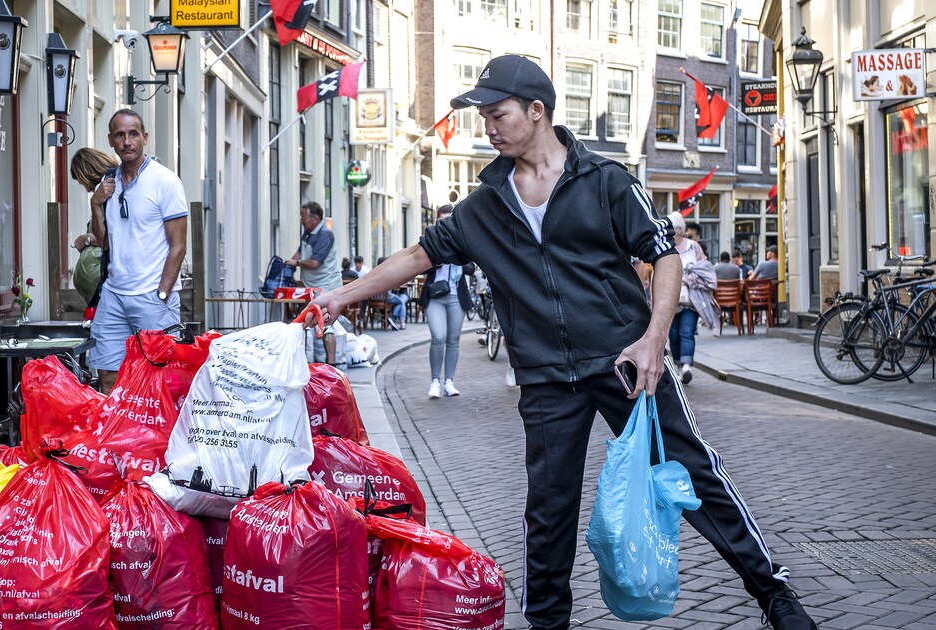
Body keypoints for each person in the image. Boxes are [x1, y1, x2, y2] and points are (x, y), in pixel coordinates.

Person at [306, 55, 816, 630]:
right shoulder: (484, 207)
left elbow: (664, 256)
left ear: (536, 111)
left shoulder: (606, 181)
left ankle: (775, 595)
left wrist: (653, 340)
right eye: (483, 117)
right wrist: (341, 296)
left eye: (497, 115)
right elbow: (418, 256)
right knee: (547, 514)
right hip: (546, 377)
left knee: (695, 471)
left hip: (627, 364)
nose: (488, 128)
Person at [87, 109, 188, 393]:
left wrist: (163, 294)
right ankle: (113, 436)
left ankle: (159, 438)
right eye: (120, 135)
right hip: (114, 295)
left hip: (152, 296)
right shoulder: (107, 184)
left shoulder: (165, 181)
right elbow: (104, 241)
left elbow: (178, 246)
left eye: (133, 134)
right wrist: (96, 204)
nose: (127, 141)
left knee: (160, 380)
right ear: (111, 140)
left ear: (145, 138)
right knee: (108, 376)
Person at [419, 205, 473, 398]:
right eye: (441, 221)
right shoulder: (429, 243)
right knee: (438, 337)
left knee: (453, 340)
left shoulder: (462, 243)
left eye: (448, 220)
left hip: (455, 296)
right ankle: (435, 382)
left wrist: (458, 261)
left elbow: (471, 268)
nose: (444, 225)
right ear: (436, 222)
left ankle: (449, 381)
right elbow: (419, 268)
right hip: (435, 296)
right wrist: (435, 260)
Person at [288, 201, 342, 363]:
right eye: (301, 218)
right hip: (312, 286)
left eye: (304, 218)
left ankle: (332, 365)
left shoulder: (325, 234)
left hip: (326, 285)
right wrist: (290, 263)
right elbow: (299, 252)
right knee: (315, 322)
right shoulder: (308, 233)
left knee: (326, 324)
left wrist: (296, 264)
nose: (302, 221)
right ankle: (315, 361)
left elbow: (315, 262)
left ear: (316, 218)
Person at [69, 148, 119, 309]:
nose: (85, 187)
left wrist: (87, 239)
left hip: (109, 287)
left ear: (86, 173)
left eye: (81, 181)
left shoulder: (113, 192)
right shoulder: (102, 192)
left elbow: (114, 236)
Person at [667, 212, 708, 384]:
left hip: (690, 299)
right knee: (673, 335)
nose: (670, 232)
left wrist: (691, 278)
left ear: (679, 230)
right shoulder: (666, 248)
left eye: (673, 229)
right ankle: (678, 366)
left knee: (687, 332)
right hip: (670, 300)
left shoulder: (693, 246)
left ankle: (686, 366)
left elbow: (704, 267)